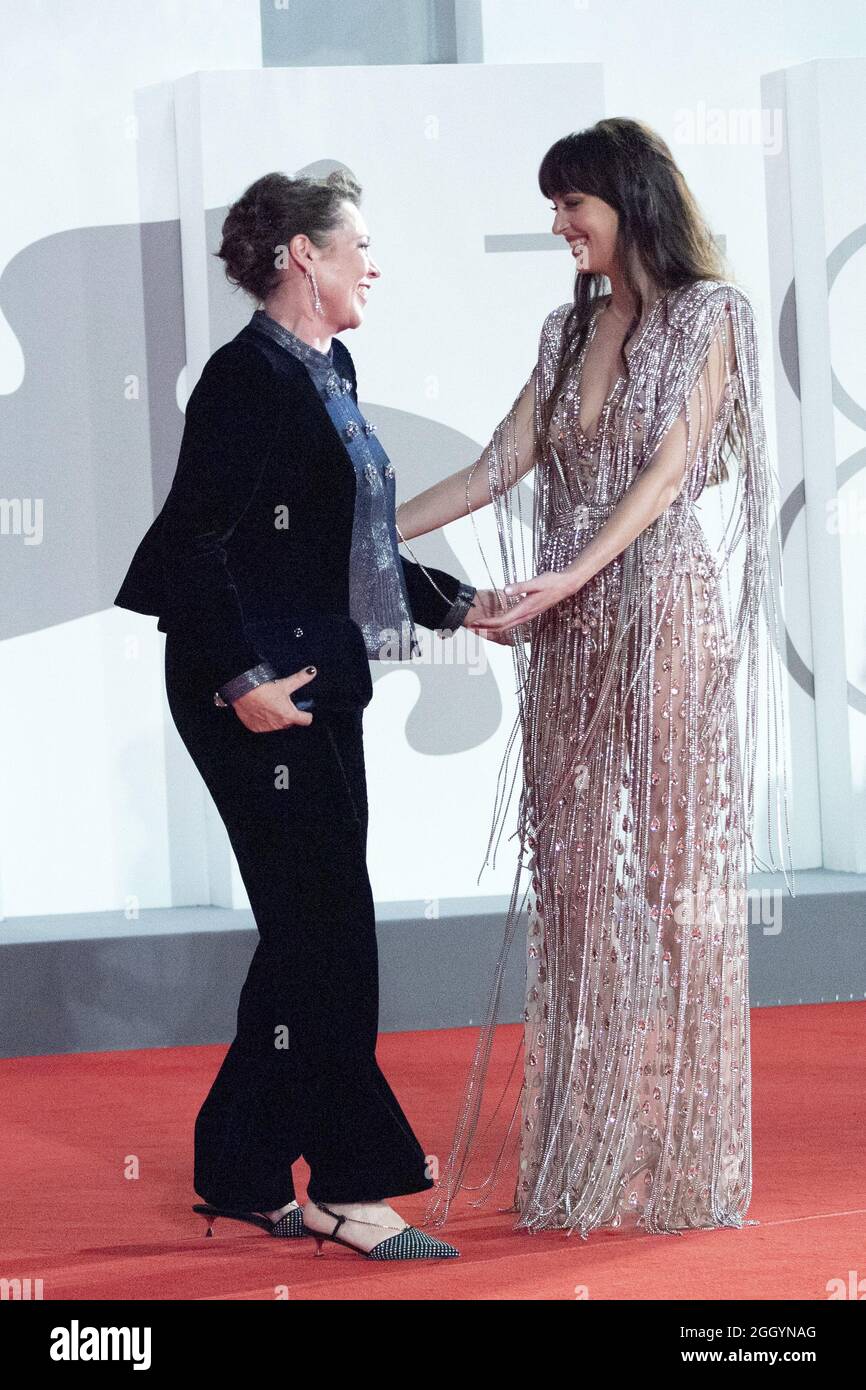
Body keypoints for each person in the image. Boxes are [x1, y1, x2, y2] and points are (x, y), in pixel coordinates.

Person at [395, 118, 796, 1239]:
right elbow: (495, 465)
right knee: (572, 884)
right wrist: (369, 530)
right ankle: (583, 1155)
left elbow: (670, 472)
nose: (559, 226)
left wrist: (569, 571)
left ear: (631, 200)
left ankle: (686, 1161)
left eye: (573, 204)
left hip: (657, 611)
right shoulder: (560, 331)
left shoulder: (712, 316)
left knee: (675, 878)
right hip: (563, 626)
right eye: (553, 208)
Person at [114, 169, 498, 1260]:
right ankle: (346, 1182)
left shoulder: (328, 367)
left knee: (305, 931)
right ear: (302, 257)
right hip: (250, 692)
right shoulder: (245, 379)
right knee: (328, 933)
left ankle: (238, 1165)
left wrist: (462, 606)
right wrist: (240, 681)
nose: (373, 264)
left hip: (313, 678)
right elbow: (192, 541)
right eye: (358, 245)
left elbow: (345, 546)